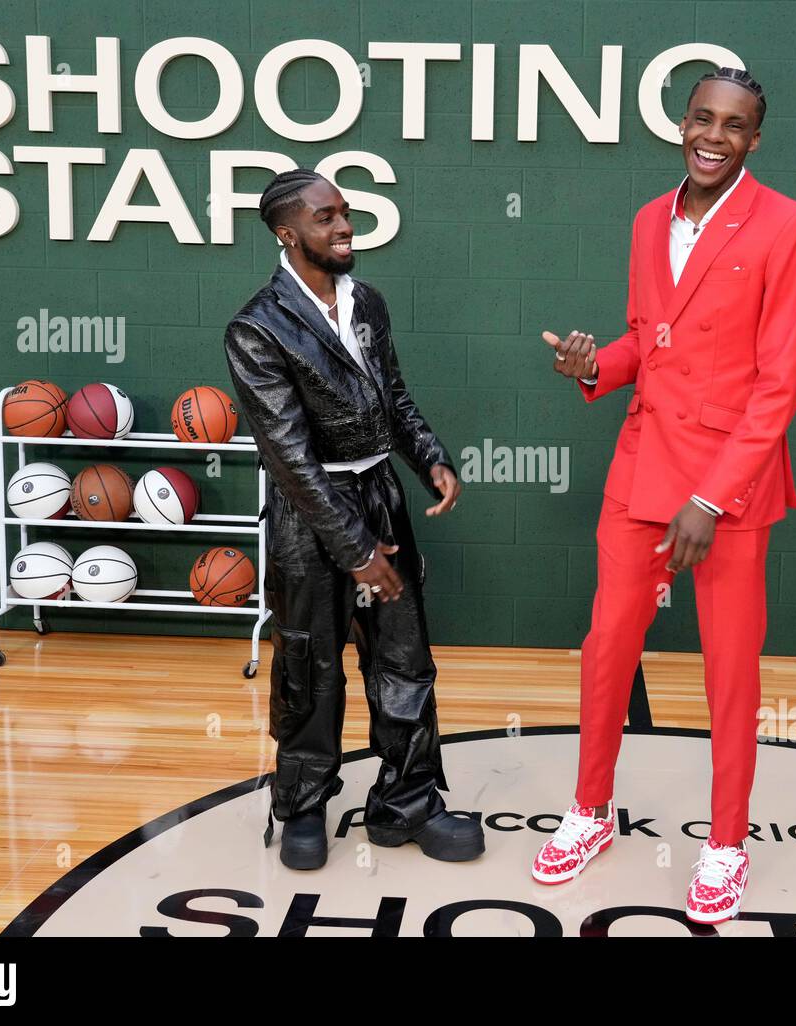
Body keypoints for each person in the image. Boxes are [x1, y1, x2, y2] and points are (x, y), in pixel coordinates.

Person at [532, 68, 796, 924]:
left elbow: (780, 385)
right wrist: (597, 367)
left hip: (727, 488)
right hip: (640, 467)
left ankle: (727, 843)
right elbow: (644, 343)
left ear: (754, 141)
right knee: (605, 648)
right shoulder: (645, 220)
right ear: (683, 123)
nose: (713, 135)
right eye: (703, 117)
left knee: (729, 671)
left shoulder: (791, 228)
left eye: (734, 125)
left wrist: (713, 497)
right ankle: (590, 813)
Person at [223, 168, 484, 869]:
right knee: (309, 665)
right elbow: (292, 460)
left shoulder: (366, 300)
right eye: (325, 218)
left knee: (404, 661)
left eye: (345, 213)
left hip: (380, 495)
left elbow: (392, 395)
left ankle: (409, 802)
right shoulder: (256, 328)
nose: (343, 227)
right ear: (288, 233)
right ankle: (304, 803)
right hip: (311, 519)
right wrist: (358, 548)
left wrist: (429, 455)